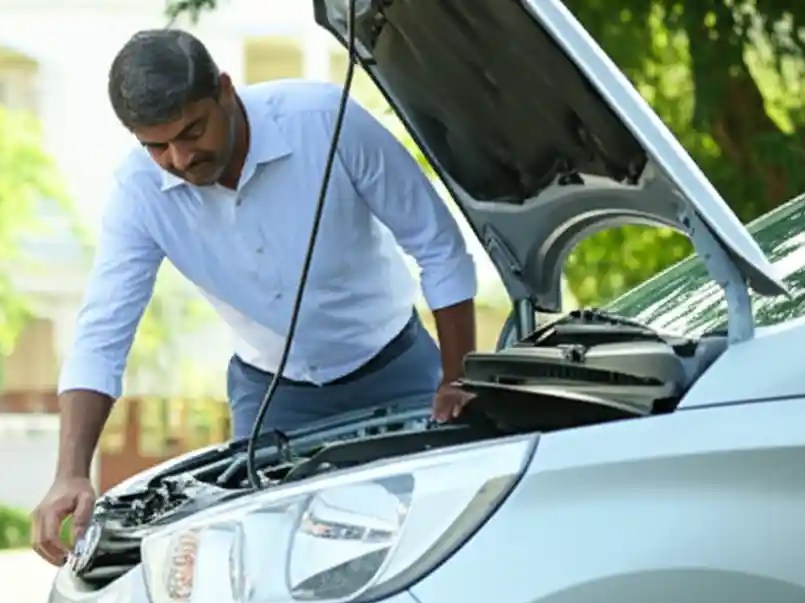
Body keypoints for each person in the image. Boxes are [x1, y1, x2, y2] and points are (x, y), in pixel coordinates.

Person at [30, 28, 478, 565]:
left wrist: (456, 376)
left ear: (224, 91)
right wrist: (71, 472)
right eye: (156, 146)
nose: (179, 159)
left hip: (400, 368)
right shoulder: (137, 194)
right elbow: (102, 333)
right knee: (272, 567)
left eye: (192, 131)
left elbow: (438, 246)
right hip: (270, 397)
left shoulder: (325, 121)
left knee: (432, 548)